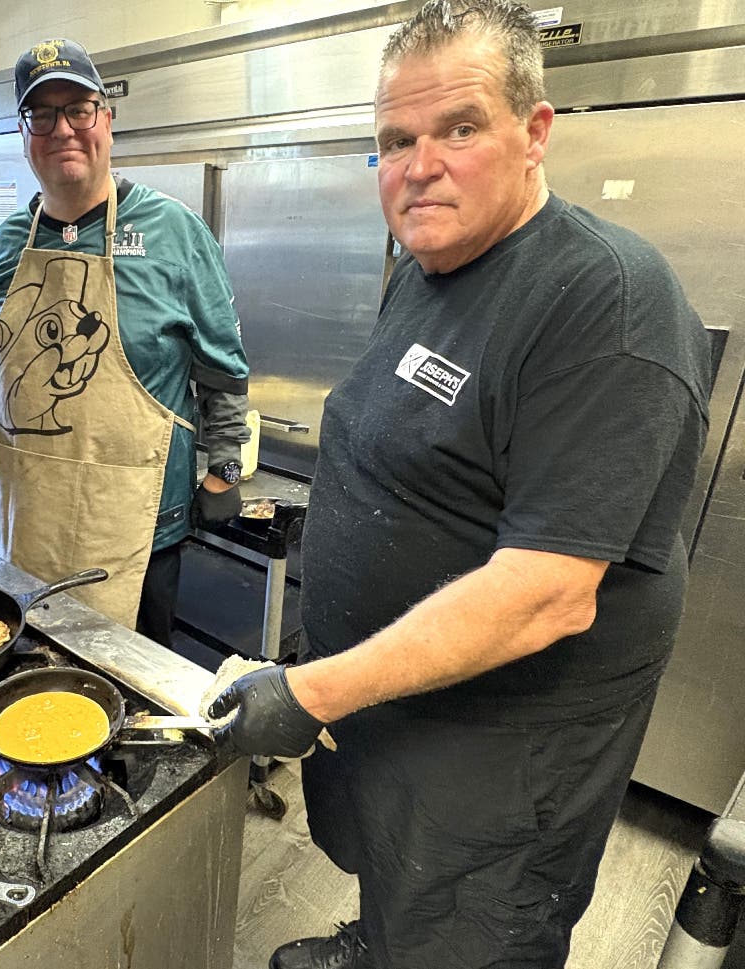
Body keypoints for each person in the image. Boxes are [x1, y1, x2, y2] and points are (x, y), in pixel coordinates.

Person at [209, 2, 712, 967]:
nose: (420, 163)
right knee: (401, 885)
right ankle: (383, 939)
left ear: (536, 134)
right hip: (407, 705)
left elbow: (547, 596)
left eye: (460, 127)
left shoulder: (603, 300)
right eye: (395, 139)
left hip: (506, 747)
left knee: (475, 925)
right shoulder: (430, 264)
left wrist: (311, 689)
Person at [0, 38, 250, 645]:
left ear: (106, 121)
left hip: (134, 520)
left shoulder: (174, 232)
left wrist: (223, 469)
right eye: (42, 115)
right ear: (24, 132)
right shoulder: (11, 237)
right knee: (28, 674)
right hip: (25, 512)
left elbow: (222, 368)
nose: (63, 128)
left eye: (79, 110)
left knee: (127, 694)